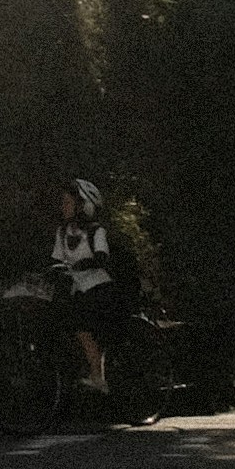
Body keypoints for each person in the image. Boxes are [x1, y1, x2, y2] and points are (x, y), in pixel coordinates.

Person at [48, 174, 141, 412]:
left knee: (82, 326)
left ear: (83, 205)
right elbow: (56, 260)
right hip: (77, 289)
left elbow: (101, 256)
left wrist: (85, 264)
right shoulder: (62, 232)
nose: (63, 207)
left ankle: (97, 376)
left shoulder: (96, 231)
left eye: (68, 202)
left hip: (99, 289)